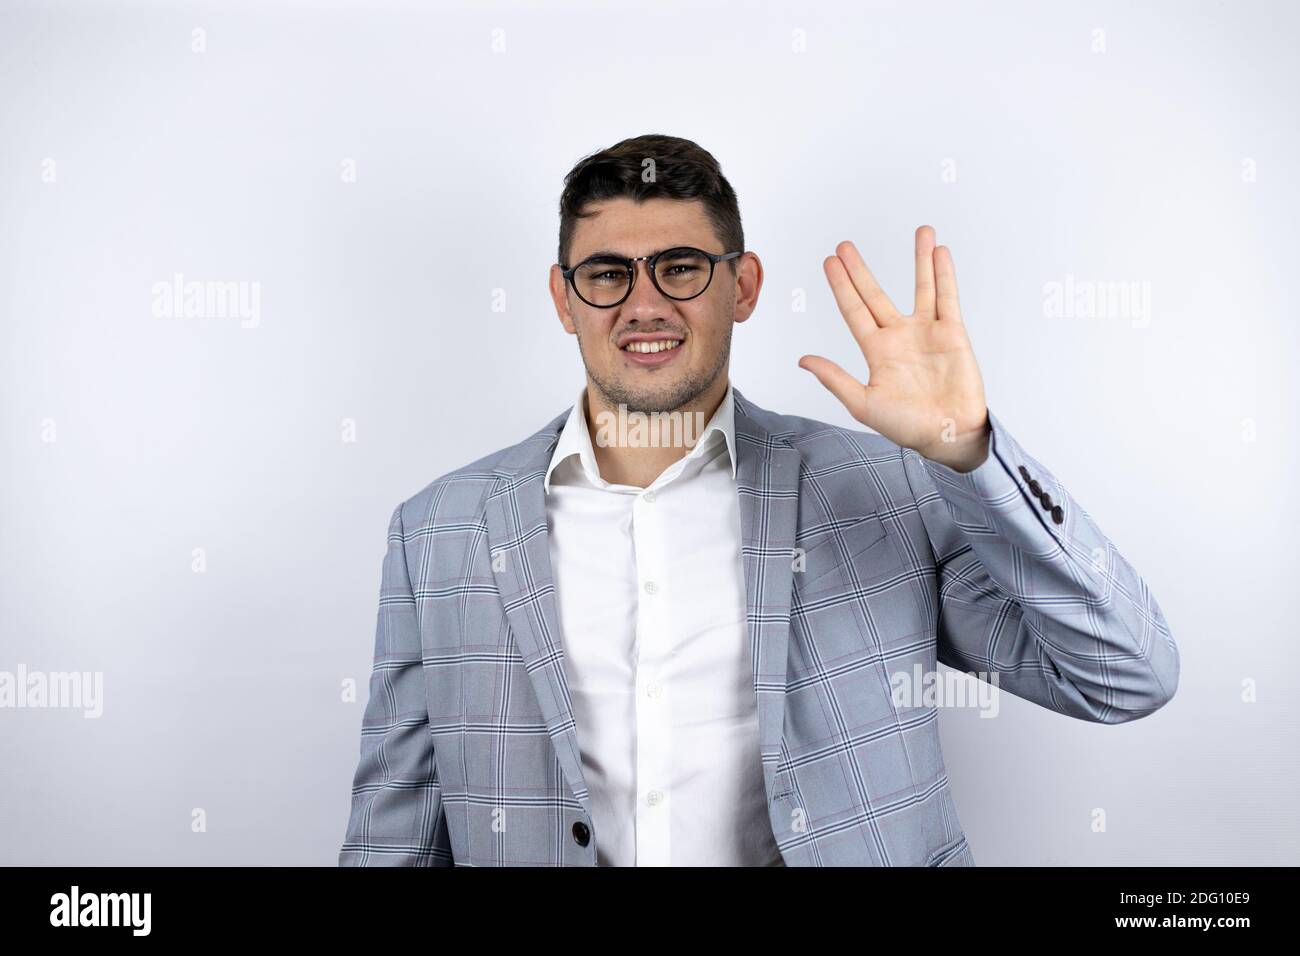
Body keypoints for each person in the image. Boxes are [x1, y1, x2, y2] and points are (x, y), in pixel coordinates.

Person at [339, 133, 1178, 867]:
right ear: (565, 299)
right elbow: (393, 838)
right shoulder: (438, 532)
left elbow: (1121, 676)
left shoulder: (883, 490)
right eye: (606, 274)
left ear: (741, 287)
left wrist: (970, 452)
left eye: (680, 268)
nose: (644, 304)